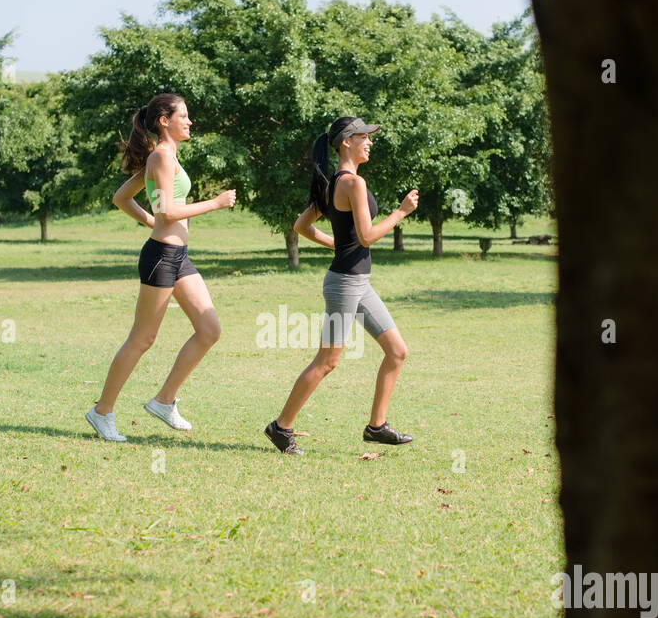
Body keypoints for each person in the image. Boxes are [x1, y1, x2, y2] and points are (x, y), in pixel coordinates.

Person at [85, 93, 236, 442]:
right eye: (183, 115)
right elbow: (167, 212)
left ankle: (164, 400)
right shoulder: (162, 157)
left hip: (178, 257)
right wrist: (213, 203)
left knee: (209, 329)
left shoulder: (165, 157)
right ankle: (102, 411)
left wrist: (150, 219)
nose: (190, 121)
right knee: (143, 338)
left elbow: (122, 198)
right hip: (162, 258)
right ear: (164, 120)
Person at [264, 116, 418, 455]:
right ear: (346, 142)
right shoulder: (352, 183)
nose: (370, 142)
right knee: (327, 361)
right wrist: (400, 213)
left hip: (358, 282)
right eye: (364, 136)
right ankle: (281, 427)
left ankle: (376, 427)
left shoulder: (336, 182)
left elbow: (302, 226)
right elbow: (366, 236)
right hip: (345, 285)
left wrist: (337, 244)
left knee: (397, 351)